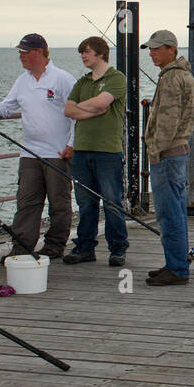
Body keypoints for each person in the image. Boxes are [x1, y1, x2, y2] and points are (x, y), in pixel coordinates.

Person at [0, 34, 76, 259]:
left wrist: (71, 144)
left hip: (58, 152)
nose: (21, 56)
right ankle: (21, 247)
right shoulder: (23, 81)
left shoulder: (63, 79)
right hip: (29, 152)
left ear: (39, 52)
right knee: (27, 201)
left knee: (59, 203)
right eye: (20, 52)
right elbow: (6, 106)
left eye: (25, 52)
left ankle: (55, 245)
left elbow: (76, 115)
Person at [62, 36, 128, 265]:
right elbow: (68, 110)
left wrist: (90, 108)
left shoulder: (116, 78)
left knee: (111, 201)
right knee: (85, 202)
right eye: (81, 52)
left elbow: (102, 103)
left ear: (100, 53)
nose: (83, 56)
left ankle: (118, 248)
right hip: (81, 149)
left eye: (86, 51)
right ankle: (85, 247)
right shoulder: (82, 82)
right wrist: (91, 111)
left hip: (107, 150)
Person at [140, 30, 194, 285]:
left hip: (168, 153)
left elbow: (167, 121)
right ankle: (176, 262)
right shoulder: (181, 75)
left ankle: (176, 268)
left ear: (171, 49)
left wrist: (154, 150)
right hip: (177, 151)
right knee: (175, 210)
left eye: (156, 48)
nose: (151, 53)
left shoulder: (173, 78)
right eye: (150, 49)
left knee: (168, 212)